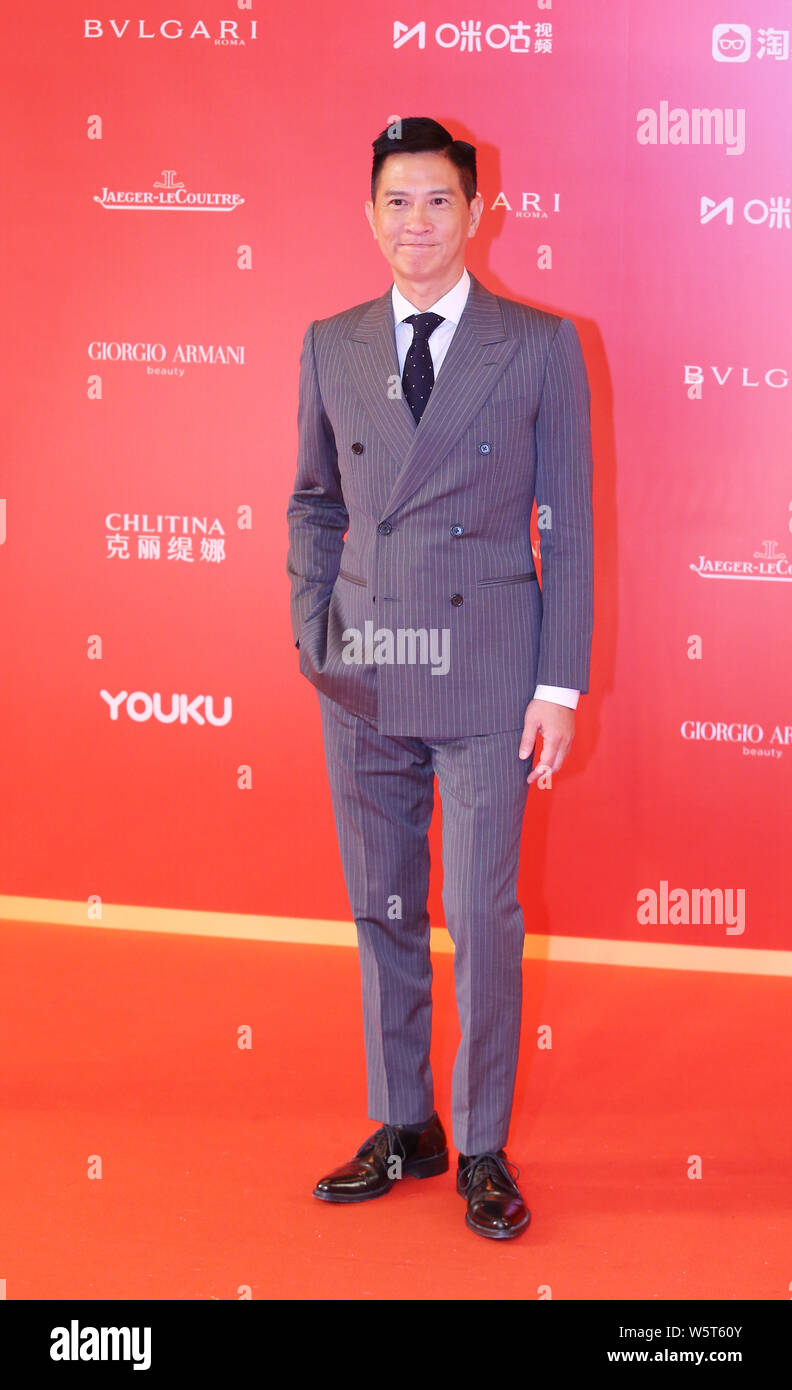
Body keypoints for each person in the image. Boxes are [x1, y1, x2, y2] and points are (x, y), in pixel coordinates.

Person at [285, 116, 593, 1239]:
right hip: (363, 668)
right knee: (384, 906)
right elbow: (315, 501)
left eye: (438, 201)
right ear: (370, 215)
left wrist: (558, 684)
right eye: (396, 202)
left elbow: (569, 523)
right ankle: (404, 1121)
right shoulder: (332, 341)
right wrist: (313, 634)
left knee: (482, 910)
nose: (416, 223)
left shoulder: (540, 343)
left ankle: (483, 1143)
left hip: (488, 673)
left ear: (478, 212)